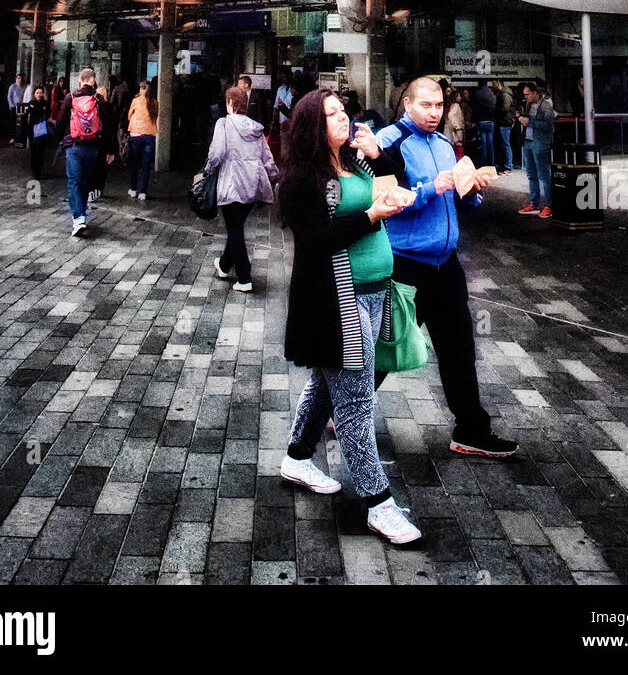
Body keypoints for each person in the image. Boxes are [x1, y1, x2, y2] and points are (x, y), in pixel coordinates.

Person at [279, 88, 422, 545]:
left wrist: (380, 158)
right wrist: (371, 217)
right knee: (357, 402)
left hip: (376, 292)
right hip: (337, 300)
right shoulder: (302, 179)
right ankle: (378, 504)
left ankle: (297, 457)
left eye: (344, 111)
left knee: (328, 383)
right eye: (331, 115)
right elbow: (315, 237)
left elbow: (394, 189)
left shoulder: (356, 162)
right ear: (309, 128)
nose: (343, 119)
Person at [374, 75, 518, 459]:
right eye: (426, 105)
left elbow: (456, 200)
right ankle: (342, 405)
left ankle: (471, 429)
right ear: (408, 105)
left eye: (439, 106)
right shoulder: (388, 143)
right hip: (405, 266)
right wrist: (429, 190)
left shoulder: (442, 145)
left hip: (446, 265)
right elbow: (385, 199)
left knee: (459, 348)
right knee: (387, 346)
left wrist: (471, 193)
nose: (434, 113)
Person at [206, 84, 279, 293]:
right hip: (252, 185)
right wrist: (274, 177)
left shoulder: (224, 124)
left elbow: (217, 153)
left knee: (235, 229)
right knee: (236, 227)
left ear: (229, 103)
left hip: (230, 183)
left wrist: (208, 170)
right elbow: (267, 158)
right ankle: (223, 264)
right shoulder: (256, 128)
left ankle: (245, 277)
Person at [54, 68, 114, 237]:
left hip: (74, 146)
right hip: (93, 148)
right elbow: (108, 127)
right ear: (93, 81)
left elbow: (59, 125)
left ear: (80, 80)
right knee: (86, 181)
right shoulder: (99, 99)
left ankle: (78, 219)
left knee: (74, 181)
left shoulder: (70, 98)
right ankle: (82, 209)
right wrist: (110, 150)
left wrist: (61, 141)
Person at [516, 80, 556, 218]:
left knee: (544, 176)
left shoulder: (546, 106)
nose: (526, 97)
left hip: (540, 143)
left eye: (527, 94)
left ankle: (549, 205)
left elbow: (549, 125)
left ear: (534, 92)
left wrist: (529, 122)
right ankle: (534, 203)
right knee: (531, 175)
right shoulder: (527, 105)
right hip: (528, 142)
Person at [125, 79, 158, 202]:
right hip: (149, 135)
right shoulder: (155, 103)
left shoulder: (135, 101)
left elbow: (129, 116)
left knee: (135, 163)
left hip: (136, 134)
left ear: (141, 89)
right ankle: (143, 192)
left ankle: (133, 189)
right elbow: (155, 117)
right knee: (146, 164)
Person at [24, 85, 51, 178]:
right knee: (33, 151)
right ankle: (34, 171)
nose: (39, 94)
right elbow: (31, 112)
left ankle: (39, 171)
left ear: (43, 94)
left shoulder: (46, 103)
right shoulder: (31, 102)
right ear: (34, 94)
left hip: (42, 130)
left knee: (41, 151)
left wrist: (39, 109)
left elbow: (48, 113)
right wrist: (40, 109)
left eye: (41, 93)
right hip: (32, 130)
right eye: (37, 93)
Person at [491, 79, 515, 173]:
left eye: (494, 84)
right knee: (504, 145)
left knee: (505, 144)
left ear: (498, 84)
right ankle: (505, 165)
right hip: (503, 122)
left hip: (504, 122)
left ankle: (508, 166)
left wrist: (496, 111)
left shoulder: (504, 95)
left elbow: (504, 108)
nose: (492, 86)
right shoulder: (502, 94)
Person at [473, 79, 496, 166]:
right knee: (490, 143)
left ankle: (484, 164)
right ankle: (492, 164)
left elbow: (476, 108)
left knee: (483, 144)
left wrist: (475, 120)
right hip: (491, 121)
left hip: (481, 121)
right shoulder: (492, 93)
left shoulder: (478, 93)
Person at [443, 88, 465, 158]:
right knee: (459, 148)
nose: (460, 97)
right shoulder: (456, 105)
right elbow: (451, 115)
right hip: (456, 132)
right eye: (459, 96)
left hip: (450, 131)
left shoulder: (450, 105)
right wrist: (457, 126)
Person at [7, 72, 25, 145]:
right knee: (13, 123)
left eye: (21, 78)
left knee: (20, 123)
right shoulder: (13, 86)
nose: (19, 80)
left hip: (22, 107)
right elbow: (9, 96)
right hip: (14, 107)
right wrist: (11, 105)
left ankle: (19, 138)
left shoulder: (23, 87)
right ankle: (12, 138)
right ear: (16, 79)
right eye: (18, 78)